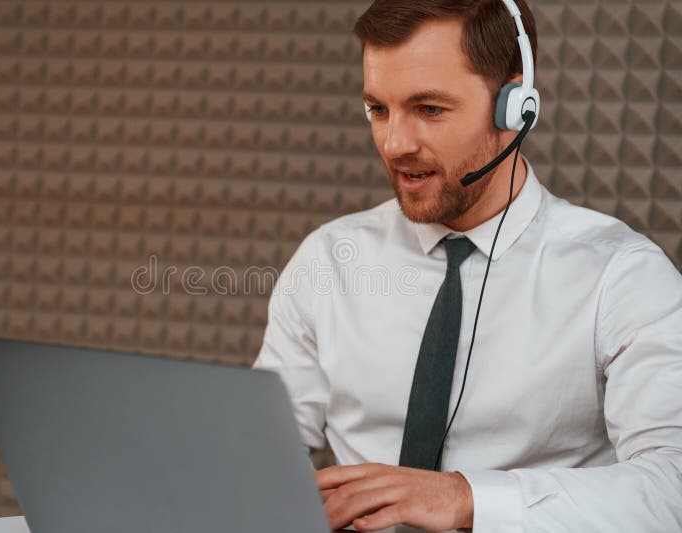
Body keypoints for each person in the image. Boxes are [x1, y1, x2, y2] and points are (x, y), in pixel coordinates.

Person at [252, 1, 682, 532]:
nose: (395, 144)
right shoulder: (328, 258)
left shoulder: (623, 277)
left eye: (429, 109)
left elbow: (672, 487)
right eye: (378, 109)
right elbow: (259, 460)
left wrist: (467, 498)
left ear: (514, 105)